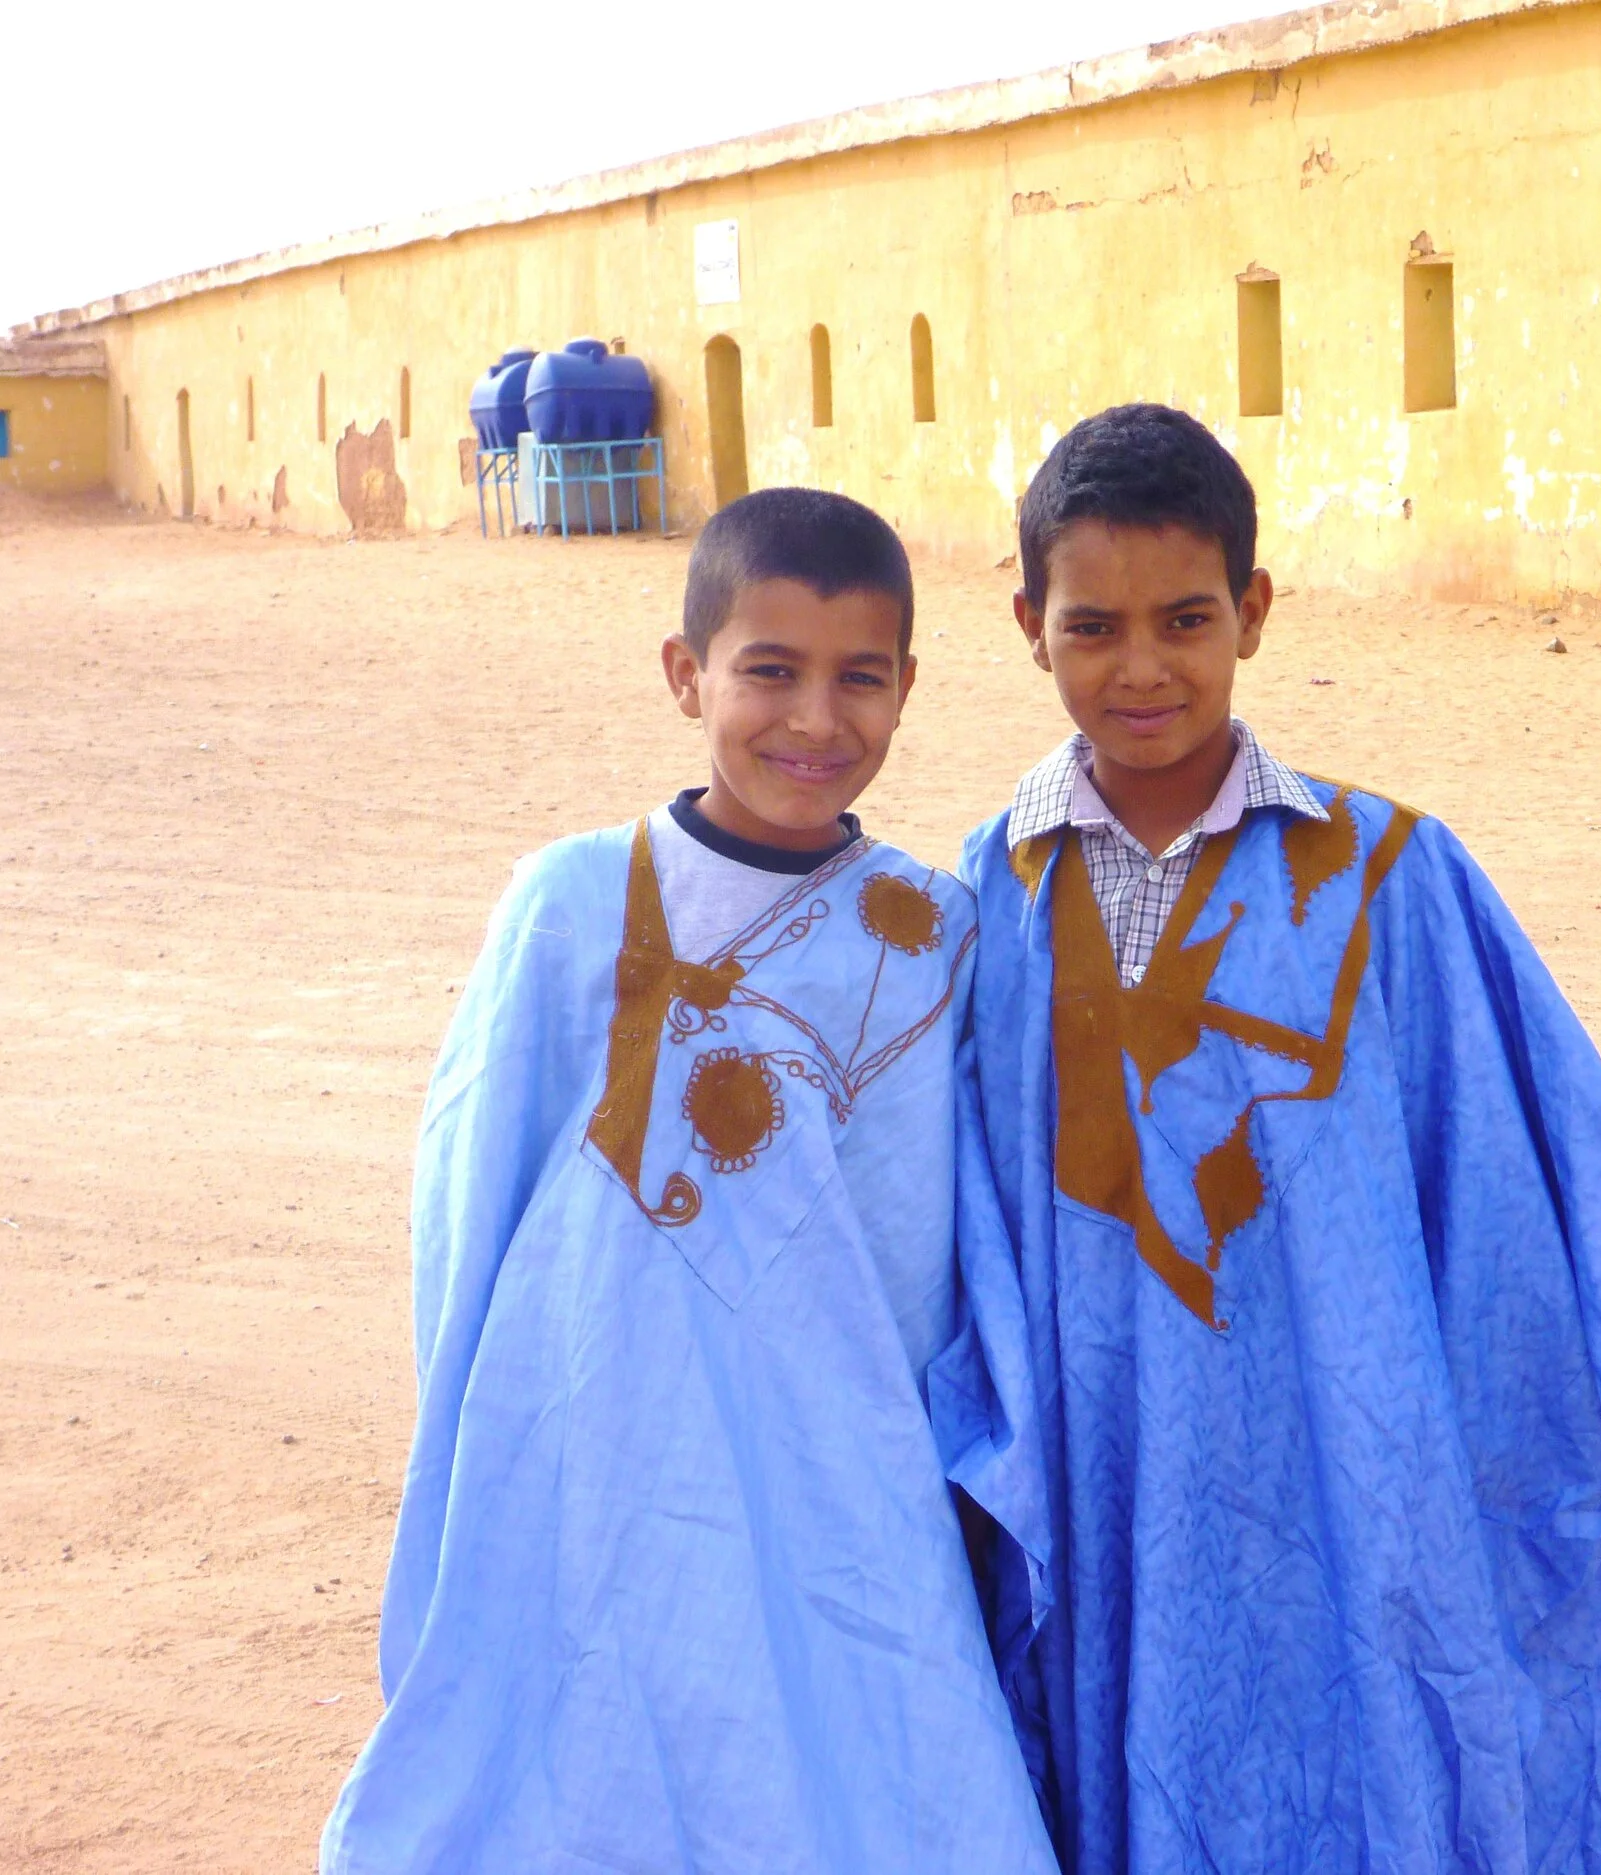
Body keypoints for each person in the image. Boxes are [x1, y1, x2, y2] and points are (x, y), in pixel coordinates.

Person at [937, 405, 1601, 1873]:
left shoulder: (1387, 875)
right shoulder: (979, 905)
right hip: (1101, 1475)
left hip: (1353, 1473)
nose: (1140, 666)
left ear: (1253, 610)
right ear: (1025, 625)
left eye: (1186, 618)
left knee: (1383, 1758)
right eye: (1092, 625)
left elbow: (1498, 1200)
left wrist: (1495, 1472)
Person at [322, 488, 1055, 1875]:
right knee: (598, 1740)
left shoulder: (936, 932)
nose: (813, 720)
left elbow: (930, 1231)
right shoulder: (571, 902)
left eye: (859, 678)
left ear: (909, 687)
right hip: (597, 1430)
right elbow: (469, 1206)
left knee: (844, 1758)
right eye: (768, 670)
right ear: (686, 674)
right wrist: (482, 1447)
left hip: (842, 1454)